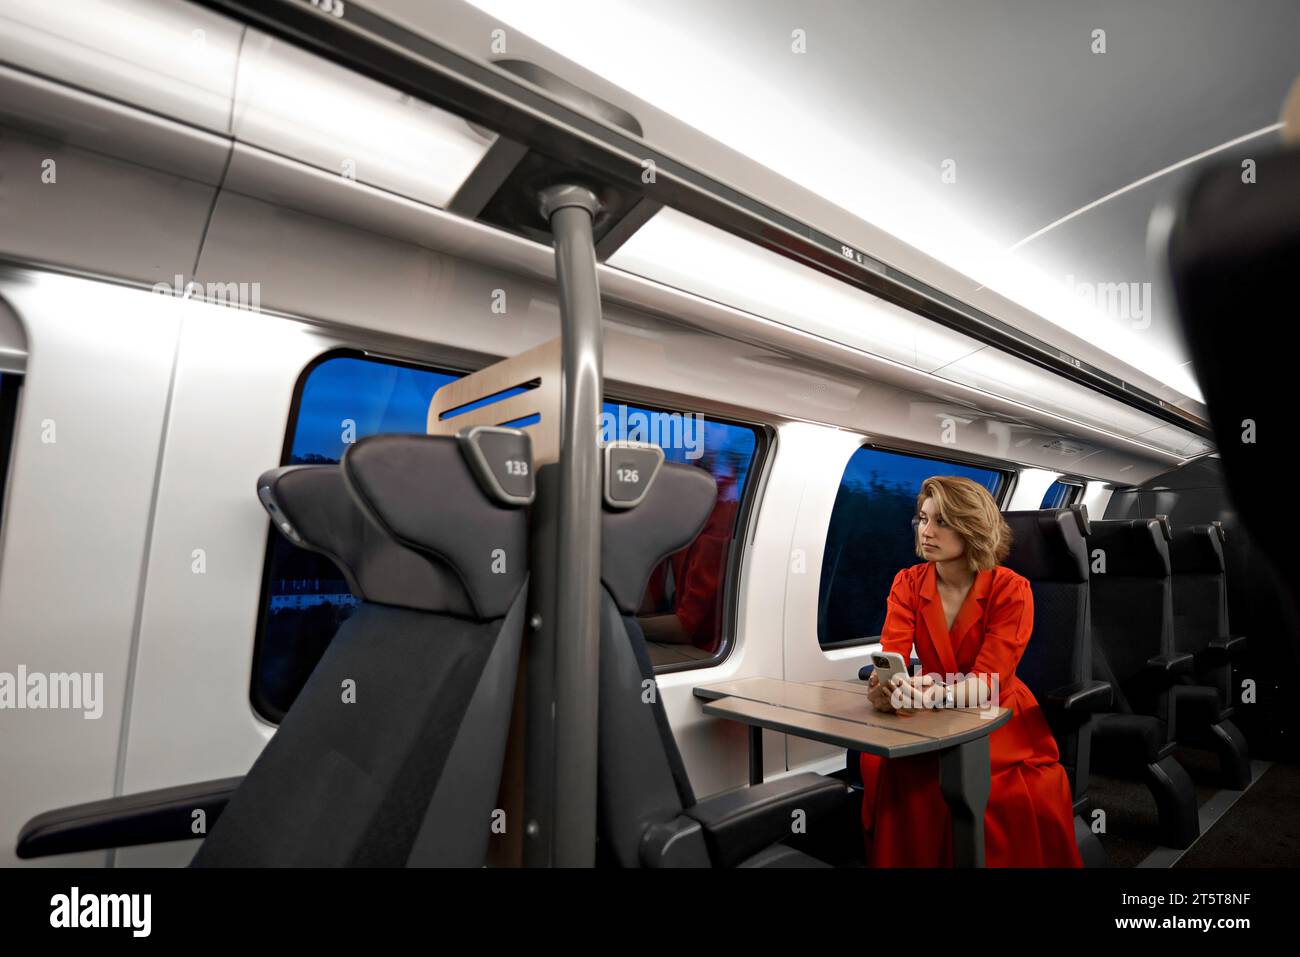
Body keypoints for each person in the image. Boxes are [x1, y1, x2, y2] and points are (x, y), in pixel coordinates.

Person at [860, 475, 1083, 867]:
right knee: (888, 767)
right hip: (931, 711)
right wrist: (885, 687)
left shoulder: (1012, 590)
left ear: (973, 529)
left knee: (990, 789)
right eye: (923, 518)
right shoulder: (907, 583)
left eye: (941, 522)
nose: (926, 532)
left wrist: (936, 695)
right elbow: (891, 653)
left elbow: (988, 683)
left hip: (995, 716)